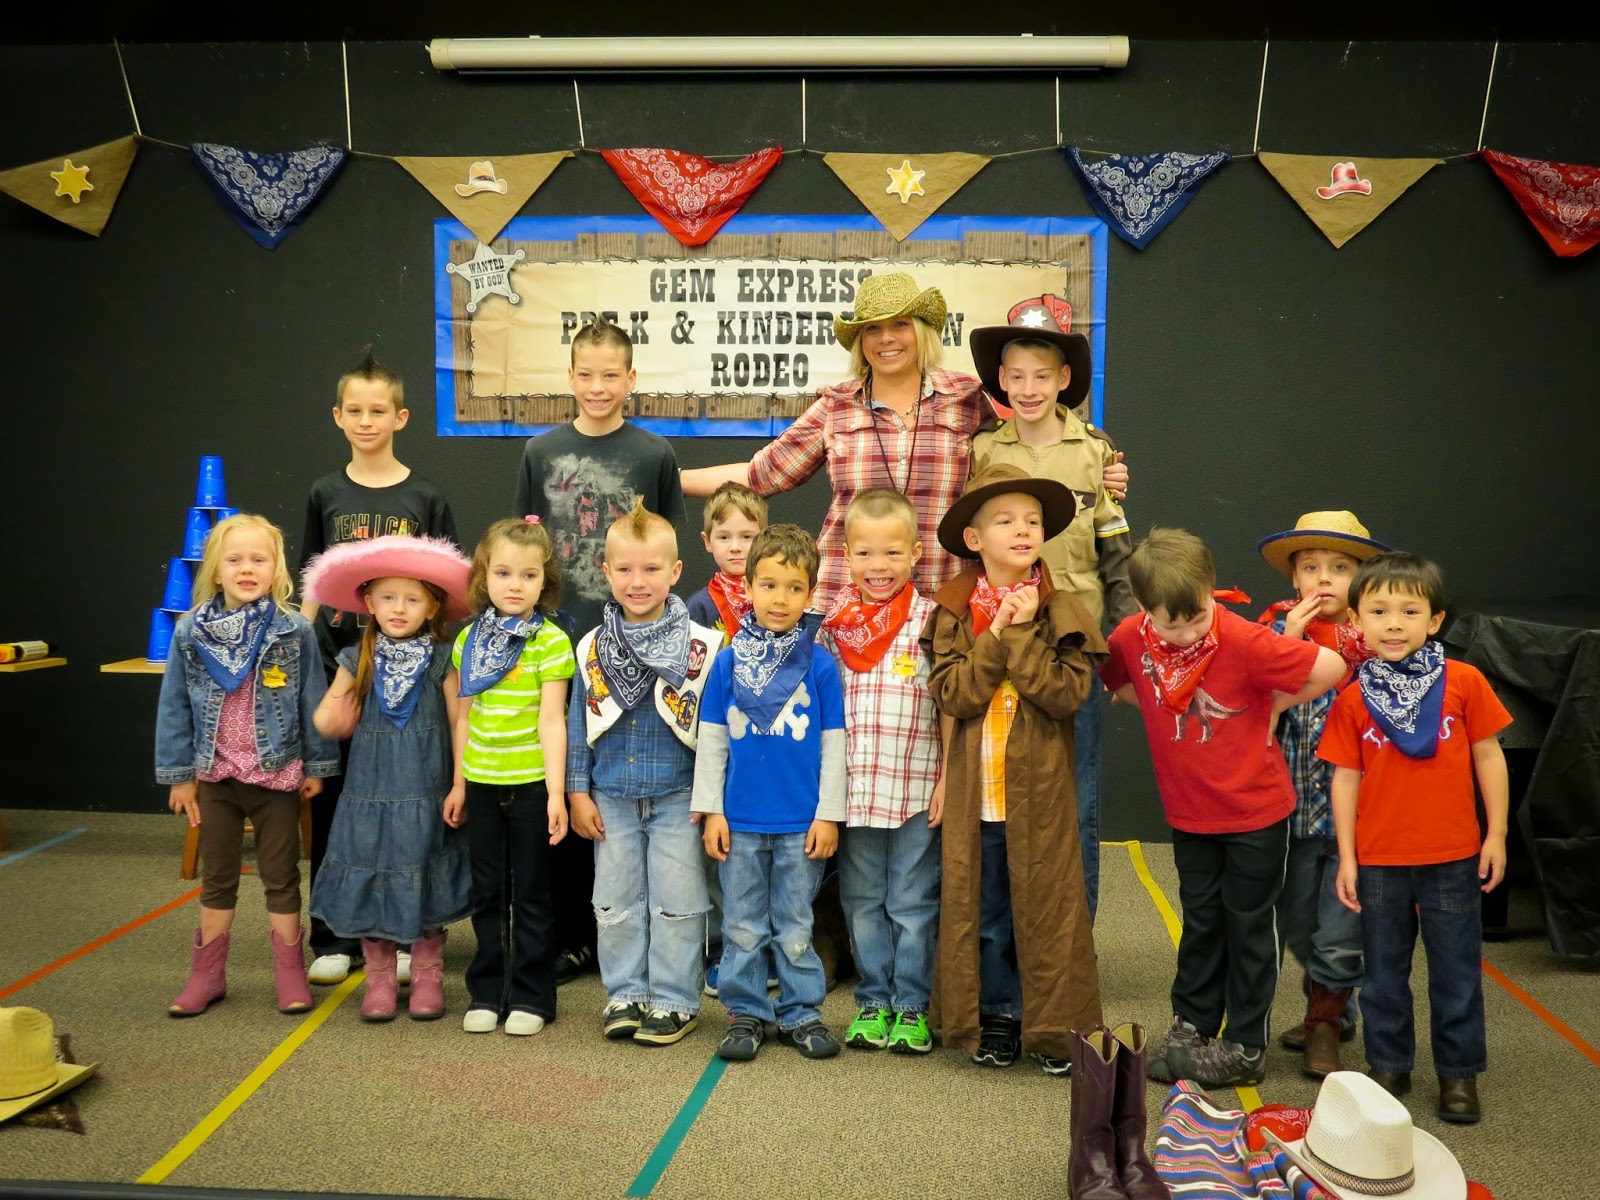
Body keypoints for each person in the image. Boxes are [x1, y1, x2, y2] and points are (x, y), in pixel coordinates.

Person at [680, 272, 1130, 615]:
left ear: (923, 330)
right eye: (872, 329)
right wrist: (668, 476)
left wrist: (1098, 461)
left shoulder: (965, 398)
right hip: (844, 602)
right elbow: (761, 475)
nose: (886, 338)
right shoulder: (837, 406)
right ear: (860, 341)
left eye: (900, 324)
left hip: (942, 600)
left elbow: (1017, 456)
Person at [1101, 528, 1346, 1088]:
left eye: (1197, 617)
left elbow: (1330, 669)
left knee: (1251, 926)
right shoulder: (1128, 639)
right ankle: (1192, 1024)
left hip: (1257, 813)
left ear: (1212, 590)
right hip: (1190, 813)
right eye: (1171, 624)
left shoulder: (1242, 638)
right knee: (1202, 921)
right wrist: (1163, 709)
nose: (1186, 633)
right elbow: (1115, 680)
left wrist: (1269, 706)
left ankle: (1246, 1044)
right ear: (1142, 608)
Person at [512, 316, 686, 986]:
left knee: (624, 791)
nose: (598, 386)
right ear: (570, 378)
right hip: (558, 644)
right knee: (565, 784)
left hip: (633, 646)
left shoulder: (654, 454)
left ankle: (625, 929)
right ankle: (566, 935)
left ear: (632, 379)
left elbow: (670, 550)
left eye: (611, 374)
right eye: (586, 374)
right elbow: (525, 548)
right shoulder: (540, 451)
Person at [922, 464, 1105, 1074]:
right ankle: (998, 1016)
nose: (1022, 530)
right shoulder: (952, 611)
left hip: (1042, 795)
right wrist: (995, 635)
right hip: (981, 798)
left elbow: (1060, 695)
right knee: (992, 915)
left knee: (1050, 912)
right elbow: (957, 695)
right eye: (1005, 521)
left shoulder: (1063, 610)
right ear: (974, 540)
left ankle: (1051, 1027)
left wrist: (1023, 631)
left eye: (1032, 521)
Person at [1320, 552, 1511, 1125]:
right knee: (1382, 972)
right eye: (1379, 611)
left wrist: (1496, 832)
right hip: (1379, 861)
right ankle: (1390, 1065)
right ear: (1357, 622)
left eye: (1409, 610)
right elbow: (1344, 779)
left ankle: (1459, 1074)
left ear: (1436, 620)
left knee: (1455, 971)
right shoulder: (1353, 697)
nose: (1394, 623)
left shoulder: (1465, 681)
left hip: (1452, 857)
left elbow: (1488, 755)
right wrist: (1348, 856)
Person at [968, 308, 1137, 925]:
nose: (1030, 389)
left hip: (1074, 647)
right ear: (1001, 384)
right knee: (999, 798)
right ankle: (1005, 941)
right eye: (1017, 377)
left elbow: (1116, 558)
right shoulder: (982, 450)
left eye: (1042, 376)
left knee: (1076, 799)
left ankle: (1074, 941)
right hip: (1005, 644)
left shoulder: (1096, 452)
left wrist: (1120, 656)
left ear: (1065, 378)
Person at [299, 345, 458, 988]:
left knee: (408, 803)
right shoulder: (325, 492)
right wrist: (296, 633)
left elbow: (444, 594)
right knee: (343, 803)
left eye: (380, 410)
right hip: (347, 660)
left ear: (401, 417)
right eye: (356, 410)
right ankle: (335, 932)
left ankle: (401, 929)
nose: (367, 420)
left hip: (412, 668)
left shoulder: (424, 494)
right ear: (338, 416)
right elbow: (312, 578)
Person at [156, 514, 339, 1017]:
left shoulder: (293, 629)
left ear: (276, 567)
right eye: (234, 559)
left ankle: (289, 972)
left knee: (281, 876)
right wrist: (179, 777)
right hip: (215, 778)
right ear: (216, 570)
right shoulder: (192, 630)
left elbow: (311, 698)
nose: (246, 568)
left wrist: (318, 765)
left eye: (259, 559)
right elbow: (174, 705)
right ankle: (207, 975)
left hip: (276, 776)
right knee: (217, 878)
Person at [565, 500, 721, 1046]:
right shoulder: (590, 649)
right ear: (606, 574)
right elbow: (578, 725)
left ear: (676, 572)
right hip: (610, 796)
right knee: (616, 900)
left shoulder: (703, 648)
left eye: (652, 569)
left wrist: (712, 800)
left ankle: (676, 999)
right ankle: (625, 992)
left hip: (680, 795)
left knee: (679, 900)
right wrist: (576, 791)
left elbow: (714, 731)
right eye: (625, 569)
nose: (638, 581)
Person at [302, 534, 474, 1023]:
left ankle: (426, 972)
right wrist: (334, 703)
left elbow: (460, 720)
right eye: (388, 597)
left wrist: (461, 783)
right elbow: (333, 724)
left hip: (426, 792)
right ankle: (378, 975)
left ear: (433, 605)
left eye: (413, 598)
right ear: (368, 602)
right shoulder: (356, 657)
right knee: (372, 869)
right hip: (369, 794)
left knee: (424, 871)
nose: (400, 608)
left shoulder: (443, 658)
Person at [693, 524, 847, 1062]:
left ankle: (802, 1011)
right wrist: (711, 809)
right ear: (748, 588)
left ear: (810, 592)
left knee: (795, 922)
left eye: (794, 587)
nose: (780, 599)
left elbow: (834, 747)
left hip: (800, 824)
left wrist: (828, 815)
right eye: (768, 585)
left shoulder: (820, 664)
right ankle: (745, 1013)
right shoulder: (729, 662)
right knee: (741, 923)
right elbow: (711, 743)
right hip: (739, 822)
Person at [1254, 511, 1389, 1077]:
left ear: (1363, 579)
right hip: (1291, 810)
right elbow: (1255, 712)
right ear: (1294, 580)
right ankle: (1333, 1002)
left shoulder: (1382, 642)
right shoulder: (1270, 633)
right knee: (1297, 926)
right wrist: (1286, 646)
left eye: (1340, 567)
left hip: (1357, 819)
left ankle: (1325, 1025)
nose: (1324, 579)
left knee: (1341, 925)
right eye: (1311, 567)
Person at [820, 489, 944, 1055]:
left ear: (916, 552)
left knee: (913, 902)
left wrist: (946, 779)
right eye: (866, 554)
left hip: (916, 786)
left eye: (892, 554)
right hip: (855, 789)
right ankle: (873, 1001)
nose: (879, 567)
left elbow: (948, 706)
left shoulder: (933, 620)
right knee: (863, 899)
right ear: (846, 555)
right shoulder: (833, 626)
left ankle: (912, 1006)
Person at [452, 517, 575, 1037]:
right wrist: (459, 783)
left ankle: (531, 995)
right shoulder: (466, 640)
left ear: (543, 582)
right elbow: (463, 717)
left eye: (527, 576)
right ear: (485, 576)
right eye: (503, 573)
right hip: (480, 783)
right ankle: (486, 990)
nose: (514, 585)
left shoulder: (551, 643)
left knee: (530, 895)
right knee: (486, 892)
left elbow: (553, 721)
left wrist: (555, 794)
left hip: (529, 786)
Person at [684, 480, 769, 997]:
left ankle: (766, 951)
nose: (737, 546)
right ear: (707, 542)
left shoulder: (780, 597)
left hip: (771, 749)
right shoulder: (698, 608)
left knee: (767, 856)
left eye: (747, 534)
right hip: (719, 749)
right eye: (726, 536)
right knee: (721, 857)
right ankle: (722, 953)